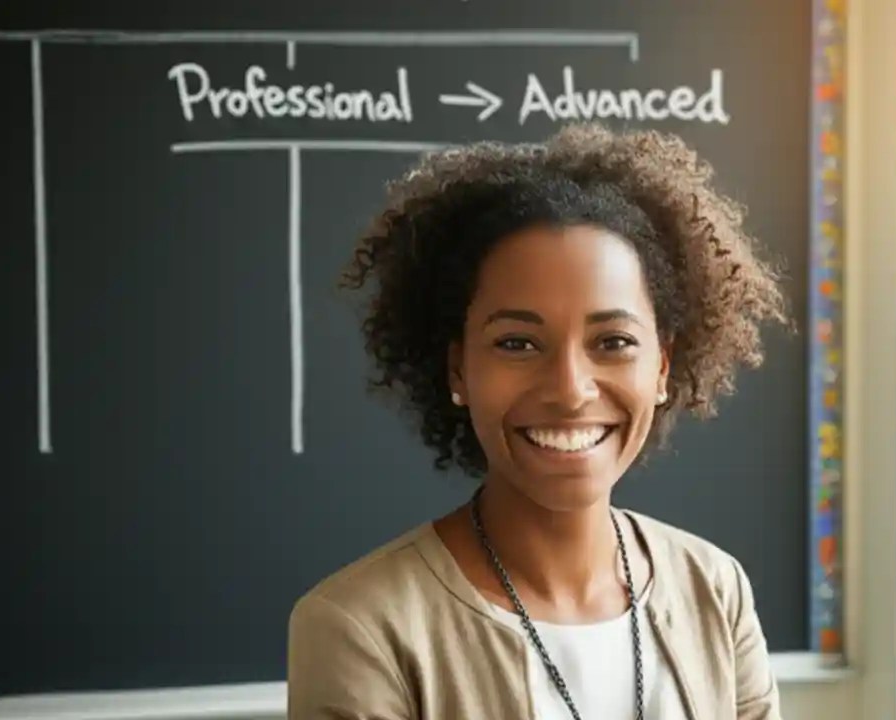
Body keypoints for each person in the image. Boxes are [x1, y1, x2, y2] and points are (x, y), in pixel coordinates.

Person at [287, 123, 790, 719]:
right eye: (519, 343)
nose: (571, 390)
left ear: (662, 367)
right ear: (458, 369)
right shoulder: (362, 627)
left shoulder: (714, 588)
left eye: (613, 341)